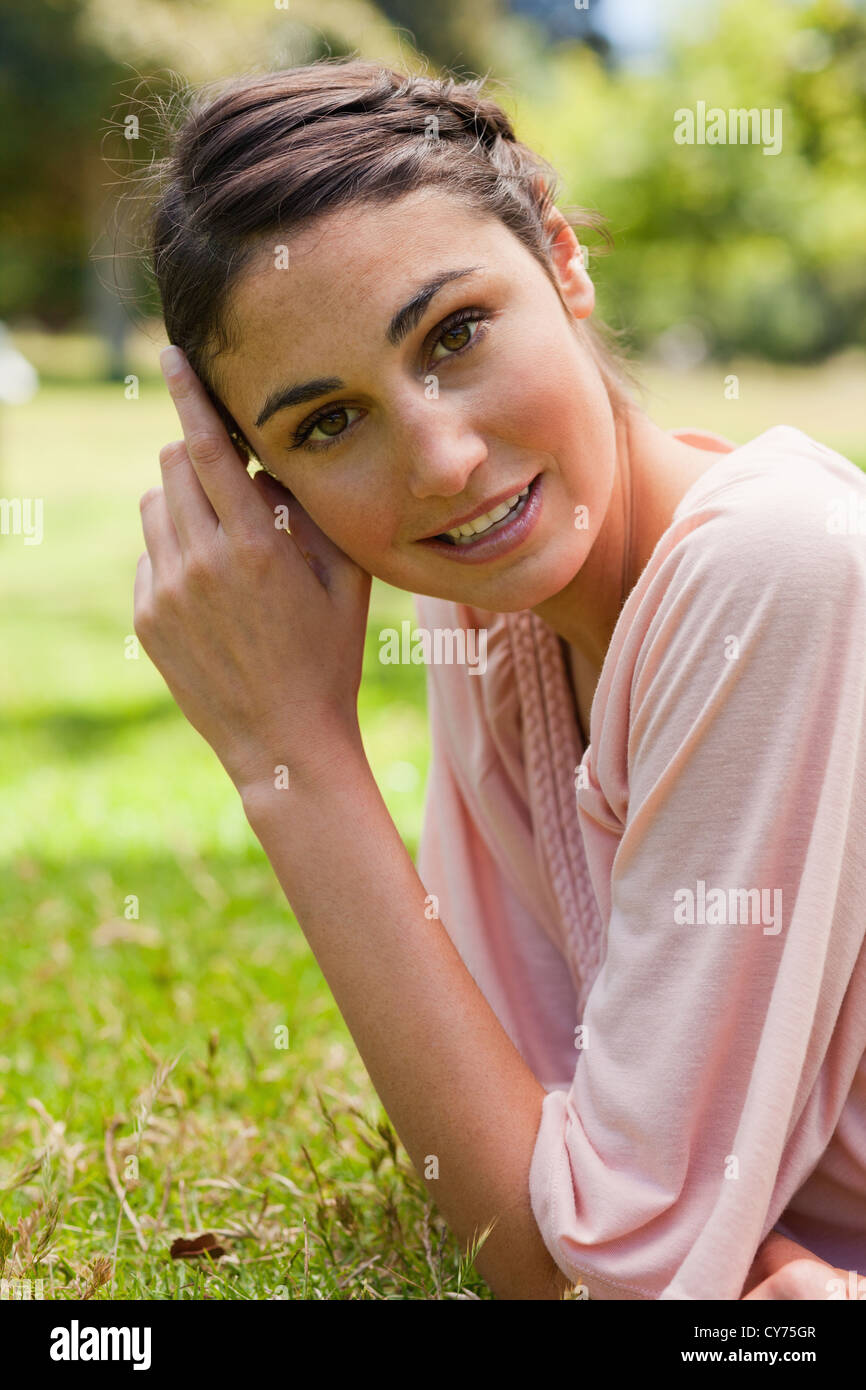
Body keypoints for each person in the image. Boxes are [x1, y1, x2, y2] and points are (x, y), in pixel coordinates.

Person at [130, 58, 866, 1299]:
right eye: (326, 424)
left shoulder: (773, 567)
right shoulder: (496, 607)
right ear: (265, 492)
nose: (443, 462)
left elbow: (562, 1261)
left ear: (563, 258)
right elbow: (530, 1159)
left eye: (454, 333)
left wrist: (294, 762)